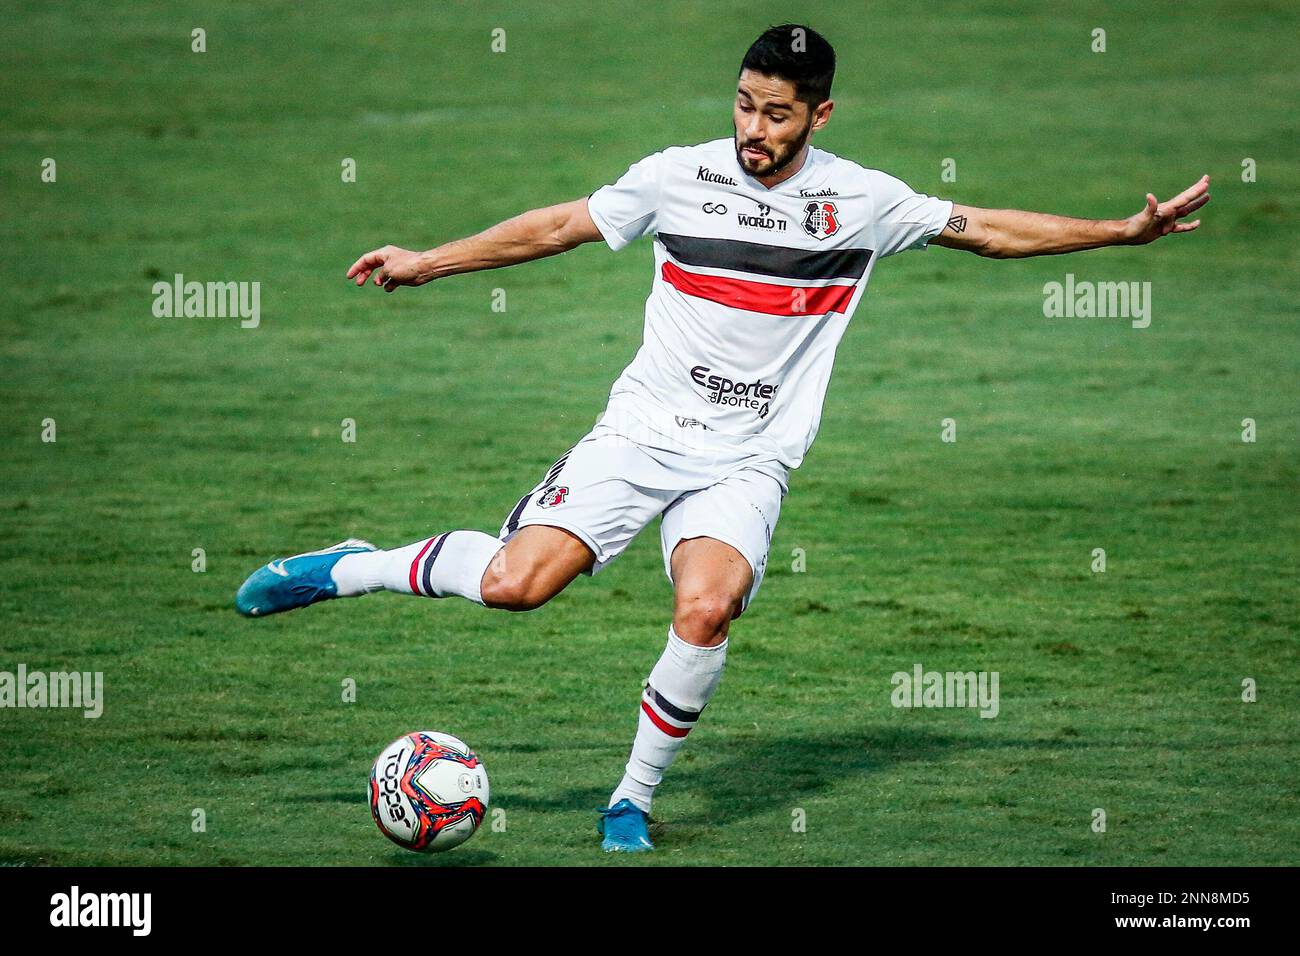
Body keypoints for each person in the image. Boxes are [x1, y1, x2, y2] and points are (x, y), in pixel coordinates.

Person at [235, 23, 1209, 852]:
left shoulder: (860, 202)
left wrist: (1120, 236)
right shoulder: (677, 178)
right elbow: (558, 227)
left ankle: (630, 801)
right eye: (744, 103)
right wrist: (430, 262)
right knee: (514, 586)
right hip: (641, 431)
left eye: (776, 112)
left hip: (746, 457)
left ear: (819, 115)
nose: (753, 127)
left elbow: (989, 229)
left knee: (706, 609)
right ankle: (350, 567)